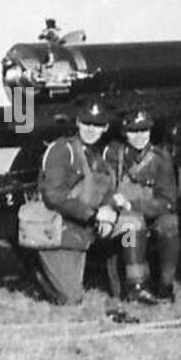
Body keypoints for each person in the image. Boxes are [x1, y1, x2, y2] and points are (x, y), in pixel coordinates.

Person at [32, 98, 146, 322]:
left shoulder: (96, 154)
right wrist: (94, 215)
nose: (91, 130)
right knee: (70, 299)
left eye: (97, 125)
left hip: (87, 228)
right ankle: (38, 268)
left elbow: (100, 190)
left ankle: (135, 285)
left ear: (105, 128)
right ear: (78, 123)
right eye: (87, 124)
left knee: (133, 224)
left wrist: (111, 205)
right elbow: (53, 196)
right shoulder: (62, 150)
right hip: (59, 229)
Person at [105, 108, 181, 301]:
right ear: (124, 133)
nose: (139, 136)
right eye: (133, 131)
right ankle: (136, 285)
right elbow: (106, 188)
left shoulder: (160, 159)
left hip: (149, 213)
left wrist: (135, 205)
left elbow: (167, 201)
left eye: (144, 131)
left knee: (169, 224)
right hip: (121, 217)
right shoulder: (114, 154)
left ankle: (166, 284)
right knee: (131, 225)